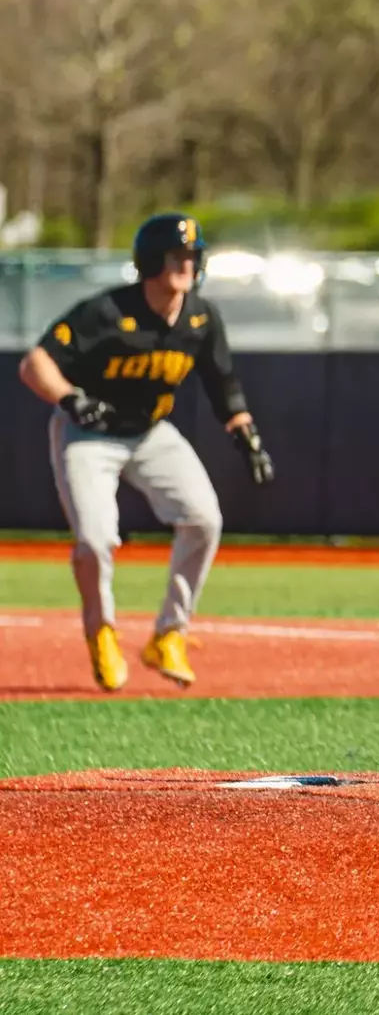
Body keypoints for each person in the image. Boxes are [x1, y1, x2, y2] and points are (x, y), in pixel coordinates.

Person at [17, 213, 276, 691]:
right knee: (95, 540)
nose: (186, 264)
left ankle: (169, 634)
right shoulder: (108, 313)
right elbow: (36, 363)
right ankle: (101, 632)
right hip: (89, 435)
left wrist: (246, 435)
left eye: (192, 256)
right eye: (175, 255)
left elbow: (223, 383)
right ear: (149, 261)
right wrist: (71, 398)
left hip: (151, 432)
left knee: (204, 519)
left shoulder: (200, 317)